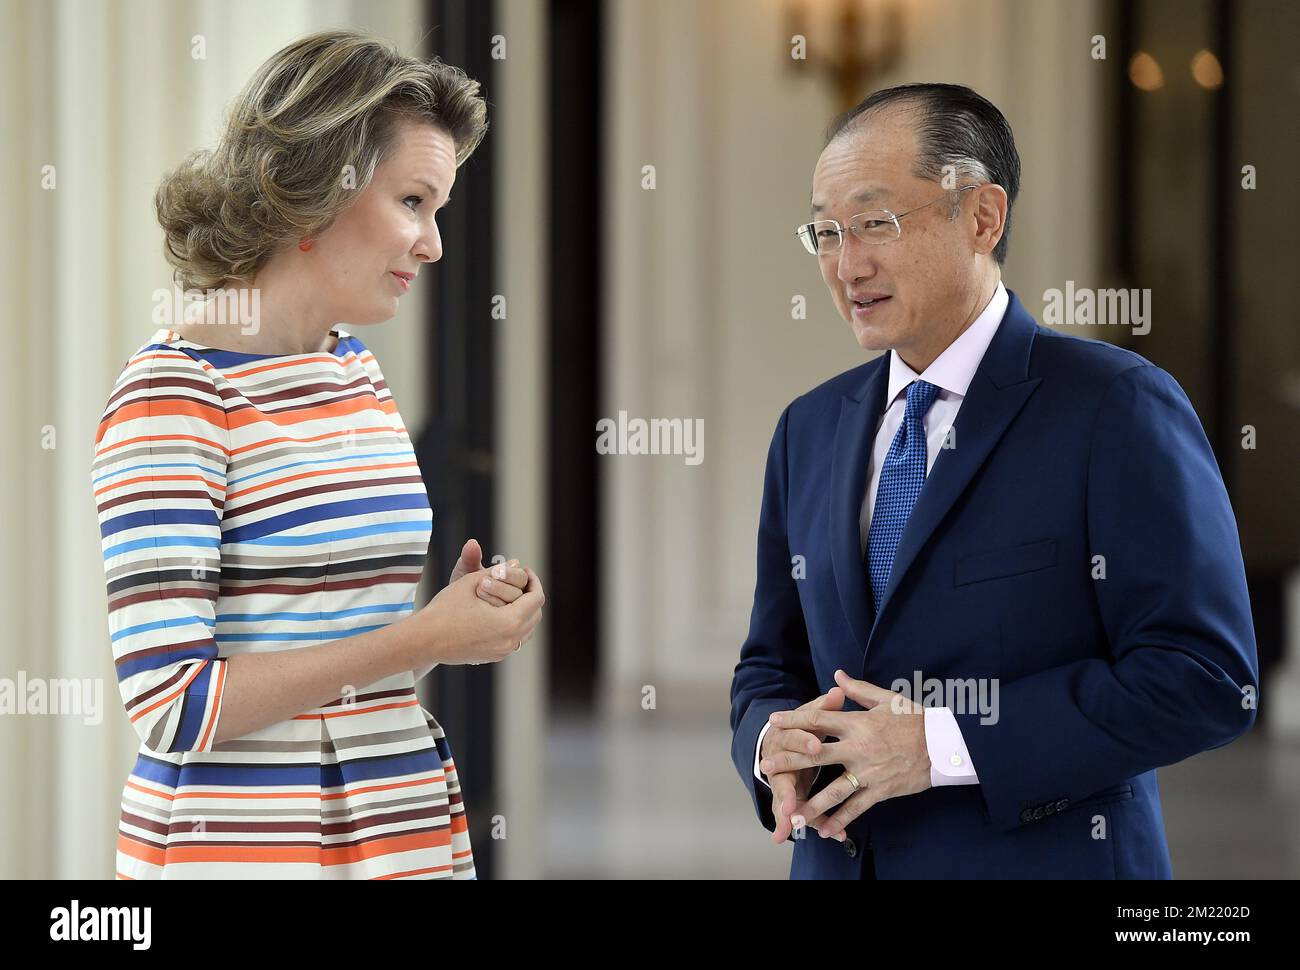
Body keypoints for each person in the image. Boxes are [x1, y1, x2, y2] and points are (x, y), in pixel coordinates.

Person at [728, 82, 1258, 879]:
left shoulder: (1116, 406)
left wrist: (940, 744)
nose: (846, 265)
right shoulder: (810, 428)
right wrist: (773, 744)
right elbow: (770, 661)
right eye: (826, 232)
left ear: (982, 216)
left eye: (874, 223)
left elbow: (1205, 679)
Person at [92, 28, 543, 880]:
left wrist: (457, 617)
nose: (434, 244)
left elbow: (336, 625)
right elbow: (172, 708)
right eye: (413, 202)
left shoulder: (350, 370)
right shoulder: (173, 398)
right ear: (311, 187)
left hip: (395, 823)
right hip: (247, 848)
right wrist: (419, 637)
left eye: (437, 210)